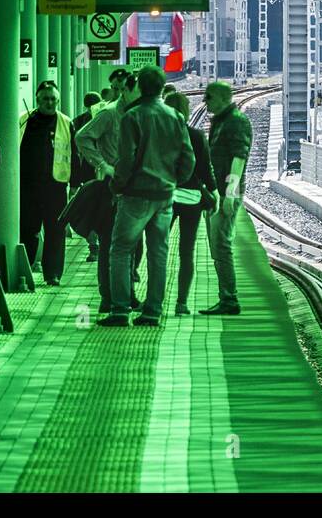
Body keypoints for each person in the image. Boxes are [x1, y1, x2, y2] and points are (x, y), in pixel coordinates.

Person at [99, 67, 194, 327]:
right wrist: (175, 180)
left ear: (140, 86)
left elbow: (126, 159)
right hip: (164, 196)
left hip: (135, 196)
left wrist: (117, 185)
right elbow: (188, 159)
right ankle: (152, 311)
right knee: (158, 252)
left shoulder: (133, 116)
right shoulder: (174, 116)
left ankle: (119, 310)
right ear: (163, 87)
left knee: (120, 249)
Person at [75, 68, 139, 312]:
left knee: (129, 243)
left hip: (133, 189)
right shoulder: (110, 114)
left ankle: (127, 293)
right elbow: (82, 137)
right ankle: (107, 297)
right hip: (111, 188)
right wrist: (102, 165)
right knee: (109, 242)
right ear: (126, 90)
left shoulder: (139, 114)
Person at [199, 81, 251, 316]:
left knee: (221, 245)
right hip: (217, 193)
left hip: (226, 193)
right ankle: (226, 298)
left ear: (221, 97)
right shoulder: (220, 121)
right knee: (217, 246)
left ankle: (229, 299)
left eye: (208, 97)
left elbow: (239, 158)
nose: (205, 101)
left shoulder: (236, 122)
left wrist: (230, 194)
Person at [164, 92, 217, 315]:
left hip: (164, 197)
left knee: (158, 249)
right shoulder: (195, 136)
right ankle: (182, 302)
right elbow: (205, 169)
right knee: (187, 251)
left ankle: (153, 300)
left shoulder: (160, 134)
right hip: (192, 199)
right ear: (185, 111)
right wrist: (214, 193)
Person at [19, 80, 75, 286]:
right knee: (27, 229)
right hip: (27, 188)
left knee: (55, 231)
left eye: (53, 99)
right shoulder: (23, 121)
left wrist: (76, 185)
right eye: (45, 99)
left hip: (56, 188)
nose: (49, 103)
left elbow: (75, 155)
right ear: (37, 99)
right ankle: (26, 270)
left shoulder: (66, 123)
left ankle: (52, 274)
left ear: (58, 100)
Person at [70, 92, 103, 261]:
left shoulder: (77, 121)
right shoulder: (105, 119)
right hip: (101, 175)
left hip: (88, 175)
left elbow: (75, 153)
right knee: (98, 211)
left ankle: (94, 247)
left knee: (91, 211)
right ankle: (96, 246)